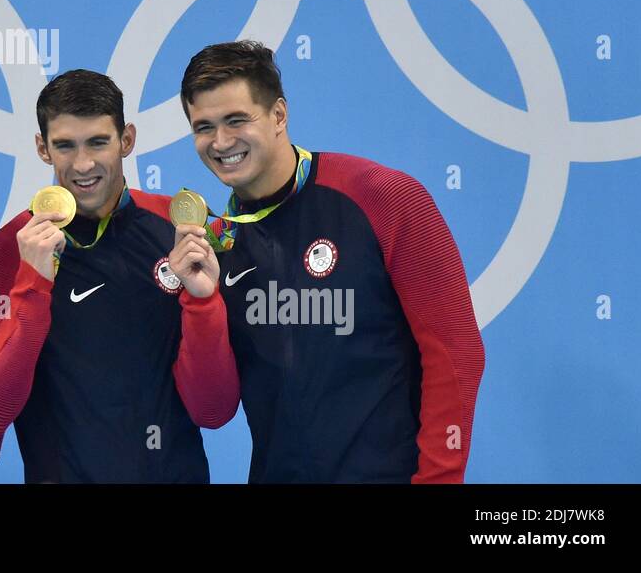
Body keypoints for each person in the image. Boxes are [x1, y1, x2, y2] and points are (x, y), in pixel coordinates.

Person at [178, 40, 485, 482]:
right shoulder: (217, 243)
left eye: (236, 120)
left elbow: (457, 353)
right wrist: (203, 303)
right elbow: (213, 409)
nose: (221, 142)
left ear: (279, 115)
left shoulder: (385, 198)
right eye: (204, 126)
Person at [0, 69, 239, 483]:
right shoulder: (4, 252)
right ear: (42, 148)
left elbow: (214, 411)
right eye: (65, 146)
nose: (83, 164)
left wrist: (203, 302)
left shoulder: (185, 233)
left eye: (98, 143)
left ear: (127, 140)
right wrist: (32, 285)